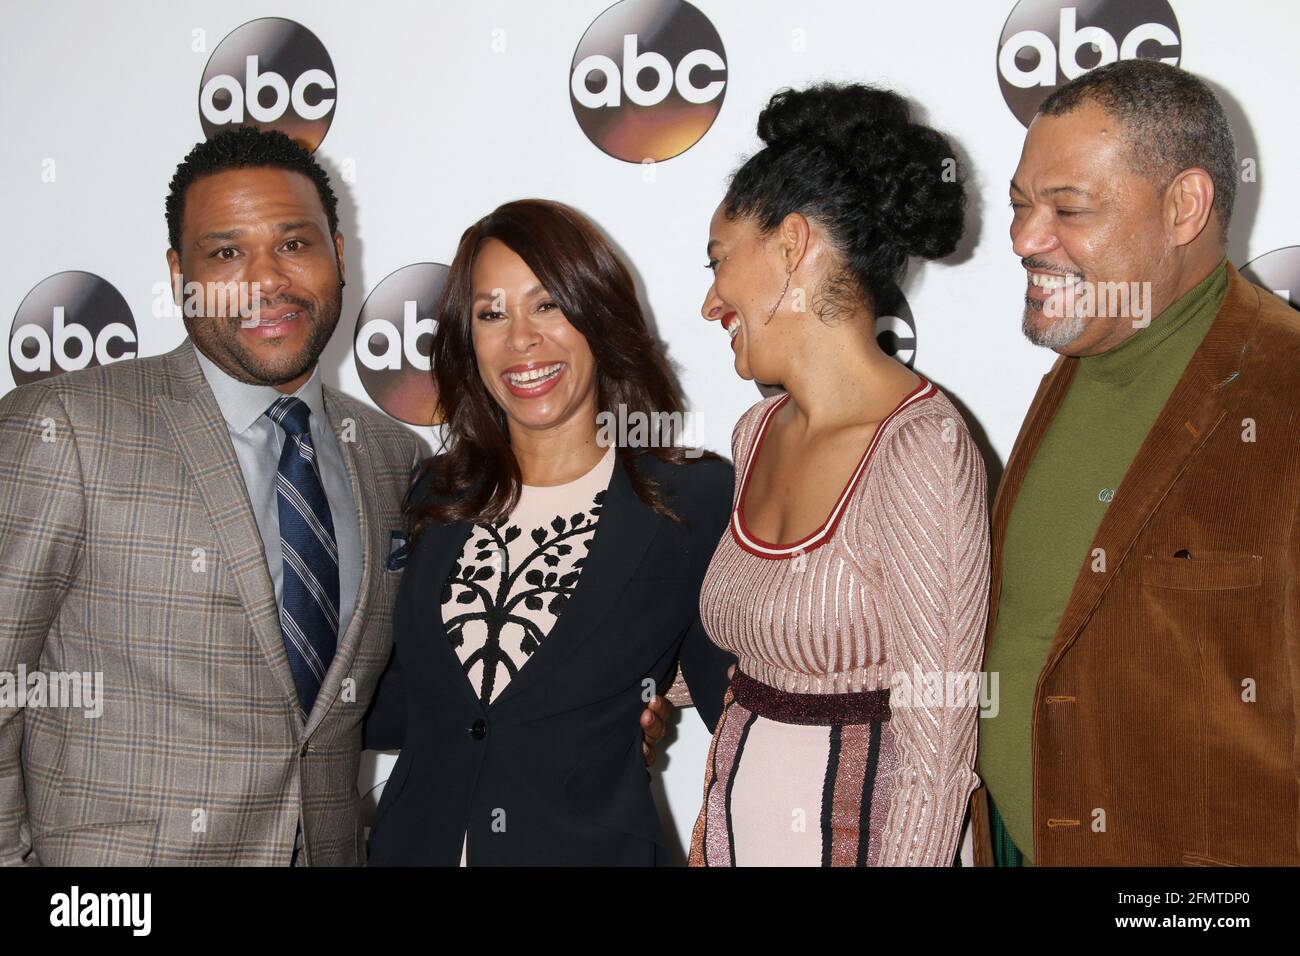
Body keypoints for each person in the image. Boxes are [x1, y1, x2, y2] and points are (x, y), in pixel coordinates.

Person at [0, 127, 420, 865]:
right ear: (178, 273)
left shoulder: (391, 457)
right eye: (226, 253)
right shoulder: (66, 427)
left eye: (294, 244)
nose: (268, 281)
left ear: (338, 255)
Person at [973, 58, 1300, 866]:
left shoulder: (1284, 392)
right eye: (1020, 207)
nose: (1023, 240)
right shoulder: (1081, 362)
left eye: (1067, 209)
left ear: (1184, 206)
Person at [363, 199, 735, 866]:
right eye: (491, 313)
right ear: (466, 339)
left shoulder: (689, 499)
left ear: (597, 314)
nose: (521, 340)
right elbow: (399, 703)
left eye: (547, 305)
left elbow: (736, 711)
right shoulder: (434, 494)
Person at [688, 83, 990, 866]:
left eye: (721, 261)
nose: (710, 300)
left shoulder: (920, 449)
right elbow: (762, 650)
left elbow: (938, 753)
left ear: (791, 245)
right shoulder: (755, 433)